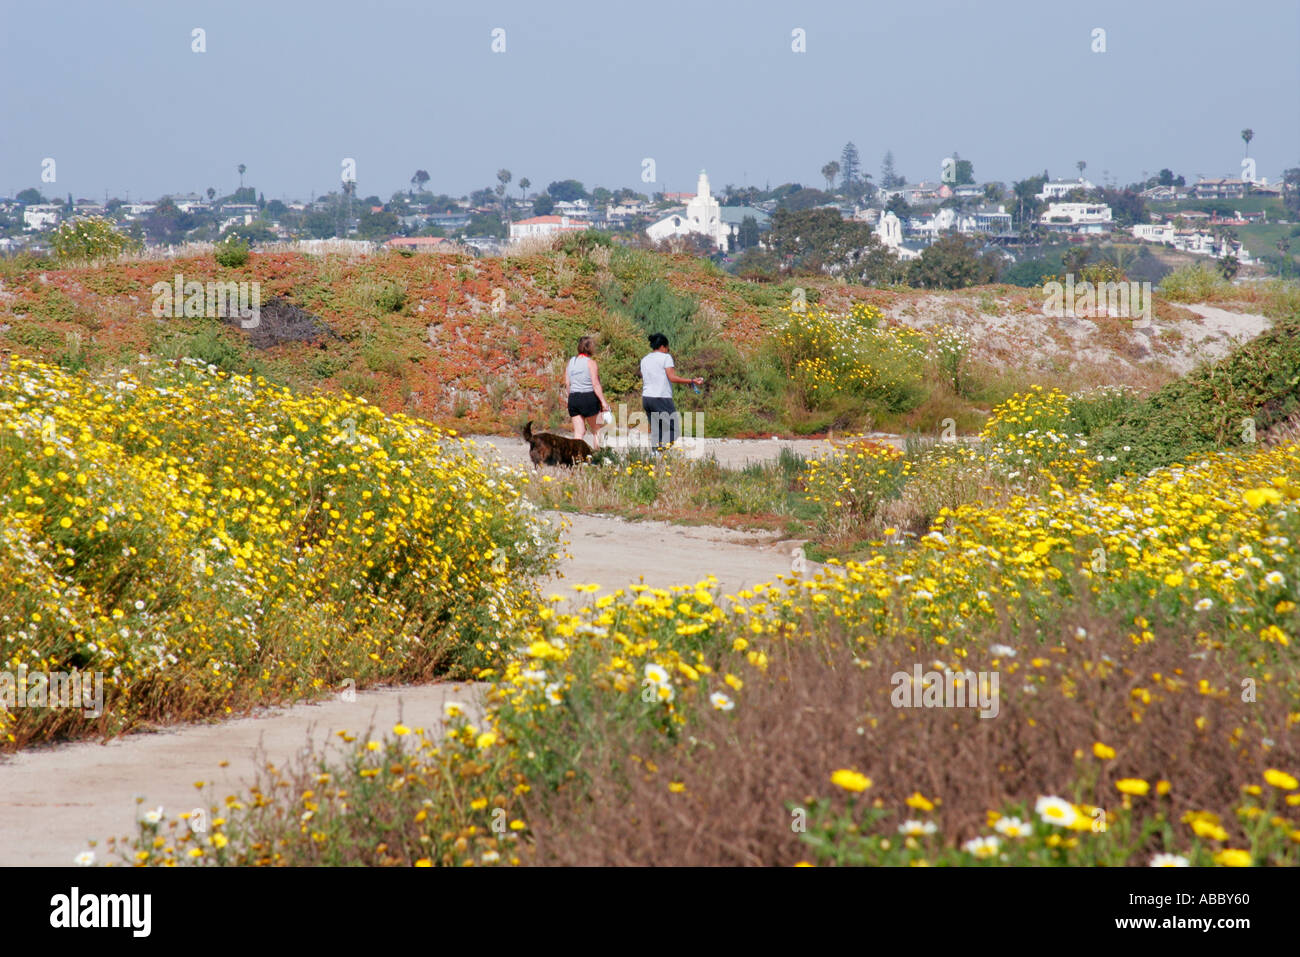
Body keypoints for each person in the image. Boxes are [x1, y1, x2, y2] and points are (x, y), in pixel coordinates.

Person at [640, 332, 702, 449]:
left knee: (656, 429)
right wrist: (692, 381)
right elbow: (672, 377)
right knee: (674, 430)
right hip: (661, 397)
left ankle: (655, 455)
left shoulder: (644, 359)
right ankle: (660, 452)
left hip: (647, 398)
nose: (668, 350)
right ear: (663, 346)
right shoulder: (666, 357)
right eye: (668, 348)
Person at [564, 335, 610, 449]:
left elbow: (567, 383)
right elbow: (595, 384)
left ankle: (576, 459)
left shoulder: (571, 362)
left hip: (574, 398)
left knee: (579, 432)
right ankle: (598, 457)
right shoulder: (591, 363)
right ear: (590, 348)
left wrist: (571, 398)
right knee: (597, 430)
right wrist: (603, 402)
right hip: (588, 398)